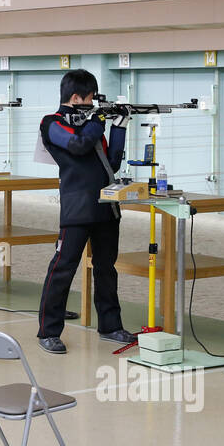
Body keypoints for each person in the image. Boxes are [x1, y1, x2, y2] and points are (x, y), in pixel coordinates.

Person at [35, 69, 134, 354]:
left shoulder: (91, 124)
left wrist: (119, 126)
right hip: (77, 208)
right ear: (76, 97)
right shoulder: (51, 123)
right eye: (90, 99)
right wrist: (99, 119)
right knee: (62, 269)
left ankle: (110, 325)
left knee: (106, 269)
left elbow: (111, 163)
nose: (93, 105)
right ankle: (48, 331)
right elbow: (77, 146)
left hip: (106, 206)